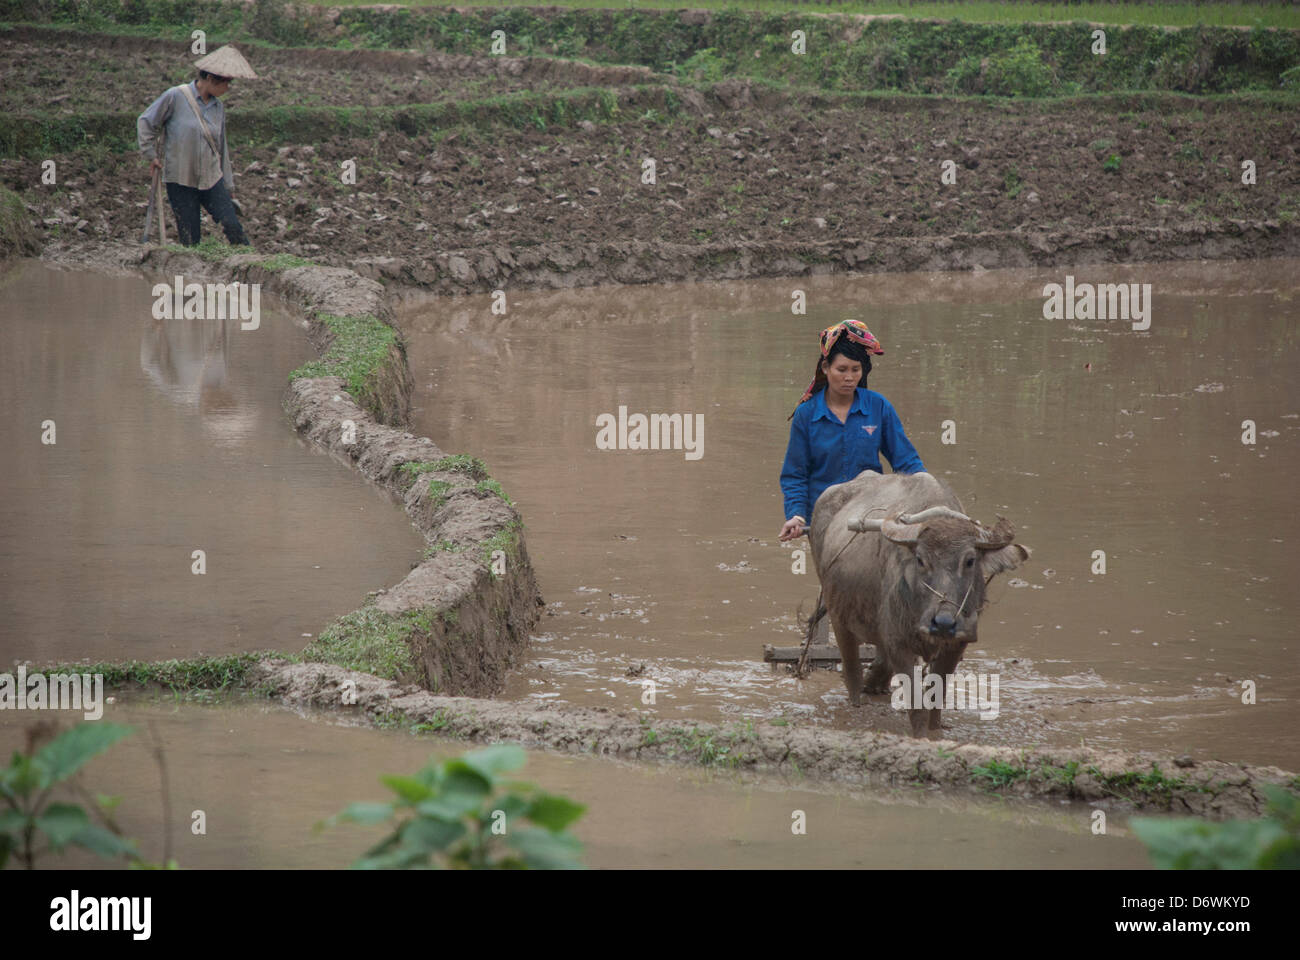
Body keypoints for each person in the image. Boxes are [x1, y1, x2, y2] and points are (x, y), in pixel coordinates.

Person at [778, 319, 926, 544]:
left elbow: (906, 462)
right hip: (824, 518)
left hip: (870, 513)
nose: (849, 378)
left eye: (856, 370)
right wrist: (796, 515)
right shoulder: (806, 414)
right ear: (825, 368)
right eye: (841, 369)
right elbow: (795, 474)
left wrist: (927, 495)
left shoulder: (878, 406)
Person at [137, 45, 258, 248]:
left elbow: (222, 148)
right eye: (227, 83)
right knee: (190, 238)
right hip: (180, 178)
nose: (228, 88)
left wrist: (229, 186)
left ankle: (248, 265)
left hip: (211, 178)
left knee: (232, 225)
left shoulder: (218, 108)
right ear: (211, 79)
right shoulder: (175, 96)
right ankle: (192, 275)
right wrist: (150, 154)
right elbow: (146, 122)